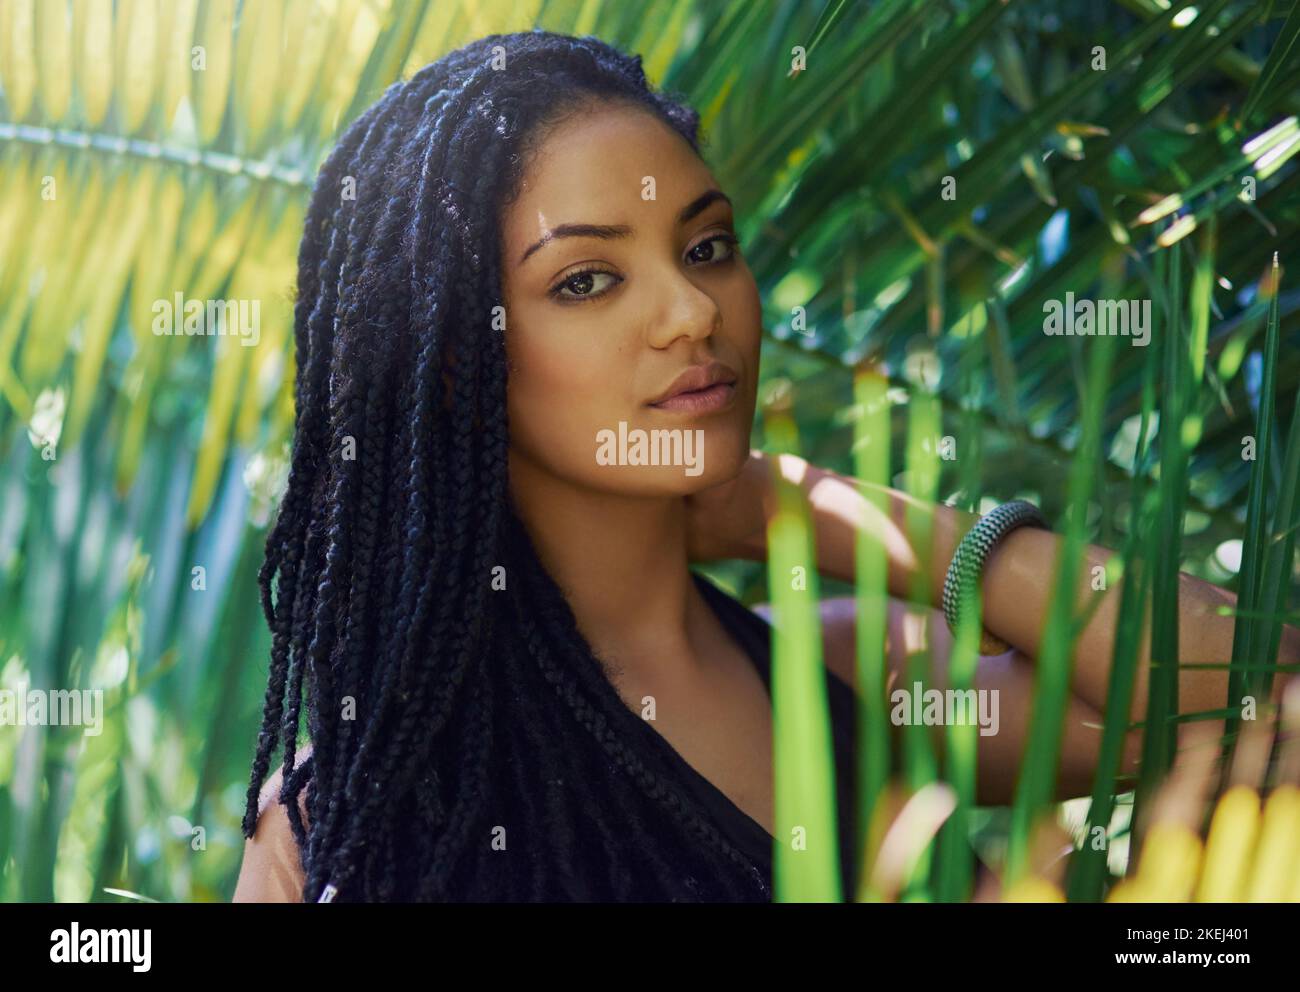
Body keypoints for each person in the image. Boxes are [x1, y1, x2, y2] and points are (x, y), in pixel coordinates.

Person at [232, 29, 1298, 903]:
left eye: (703, 249)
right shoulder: (344, 822)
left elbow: (1260, 697)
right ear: (455, 364)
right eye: (588, 280)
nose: (694, 311)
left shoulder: (843, 677)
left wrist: (795, 505)